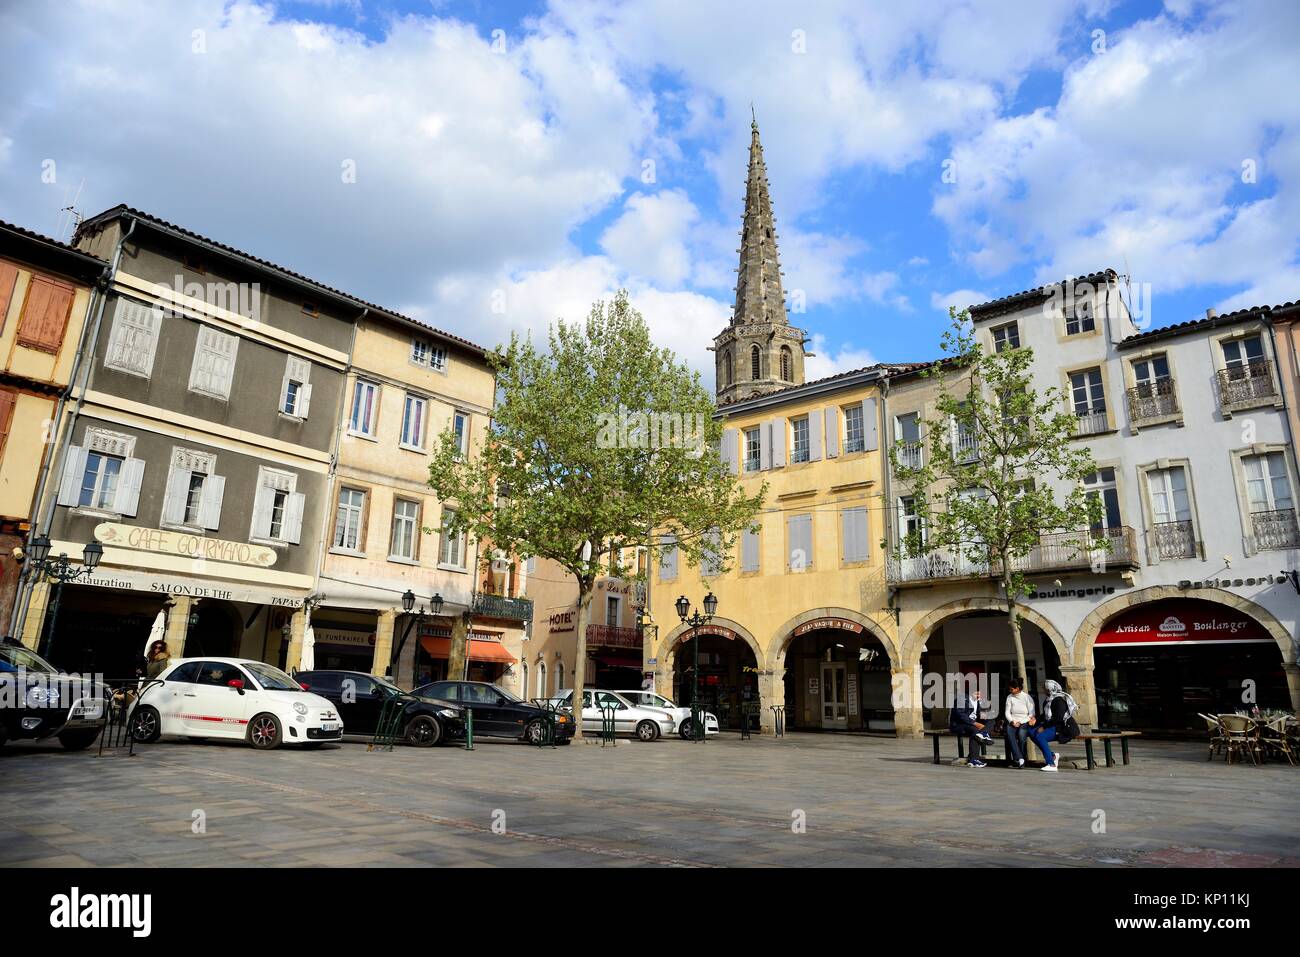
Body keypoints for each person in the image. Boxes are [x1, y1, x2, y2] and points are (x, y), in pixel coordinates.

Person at [1029, 678, 1080, 771]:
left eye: (1044, 688)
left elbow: (1058, 718)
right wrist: (1035, 720)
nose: (1043, 690)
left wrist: (1043, 727)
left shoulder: (1058, 700)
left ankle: (1051, 764)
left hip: (1063, 727)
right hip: (1053, 725)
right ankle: (1052, 756)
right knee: (1031, 732)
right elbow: (1045, 715)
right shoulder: (1048, 699)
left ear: (1049, 689)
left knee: (1040, 736)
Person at [949, 685, 993, 768]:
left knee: (991, 720)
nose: (978, 696)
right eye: (977, 694)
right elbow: (961, 715)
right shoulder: (961, 699)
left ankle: (983, 734)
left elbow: (981, 714)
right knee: (975, 730)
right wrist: (974, 723)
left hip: (972, 723)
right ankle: (973, 759)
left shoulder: (977, 701)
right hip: (959, 724)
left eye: (980, 694)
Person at [1003, 676, 1036, 768]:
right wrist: (1012, 721)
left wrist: (1021, 722)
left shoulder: (1027, 697)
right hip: (1013, 721)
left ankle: (1021, 757)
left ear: (1017, 689)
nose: (1010, 691)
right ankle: (1020, 758)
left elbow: (1031, 713)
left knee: (1021, 735)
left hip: (1024, 721)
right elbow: (1007, 712)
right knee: (1010, 735)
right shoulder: (1009, 697)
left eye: (1011, 689)